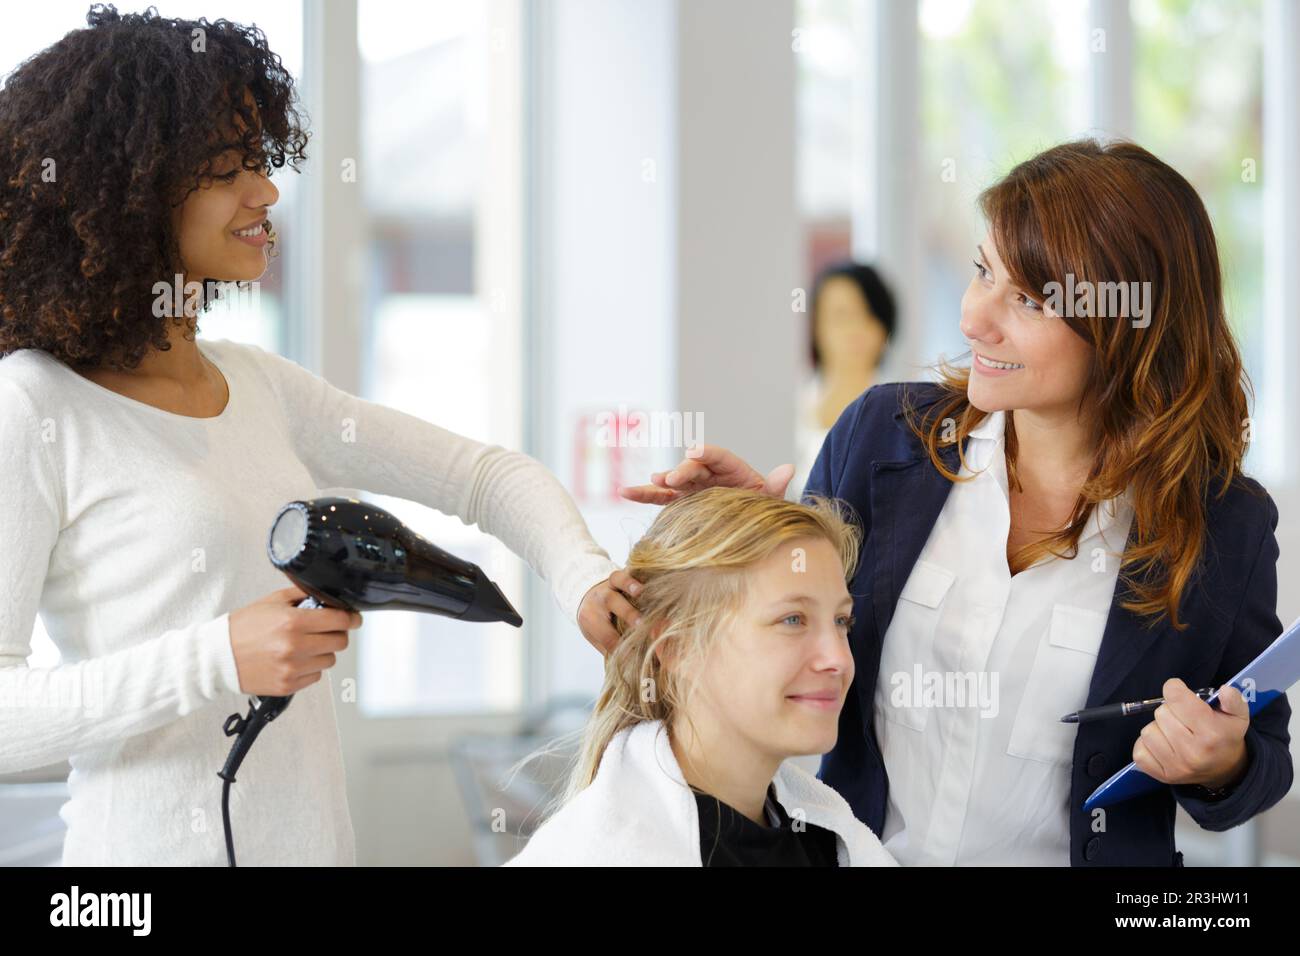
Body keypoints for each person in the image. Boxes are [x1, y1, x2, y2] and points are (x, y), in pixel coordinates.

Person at [0, 5, 632, 865]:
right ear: (131, 193)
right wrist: (214, 656)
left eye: (259, 159)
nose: (264, 192)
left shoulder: (260, 386)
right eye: (226, 169)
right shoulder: (35, 406)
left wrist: (585, 579)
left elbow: (485, 478)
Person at [620, 138, 1292, 866]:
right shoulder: (883, 438)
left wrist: (1220, 764)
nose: (975, 318)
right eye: (982, 271)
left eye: (1027, 300)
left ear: (1128, 328)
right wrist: (751, 543)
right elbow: (787, 655)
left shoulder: (1226, 523)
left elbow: (1263, 757)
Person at [505, 487, 898, 866]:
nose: (838, 660)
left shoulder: (827, 840)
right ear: (676, 646)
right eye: (793, 619)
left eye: (842, 620)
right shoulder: (605, 852)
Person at [795, 262, 895, 498]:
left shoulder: (903, 414)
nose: (855, 328)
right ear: (816, 327)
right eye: (841, 316)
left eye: (867, 314)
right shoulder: (791, 407)